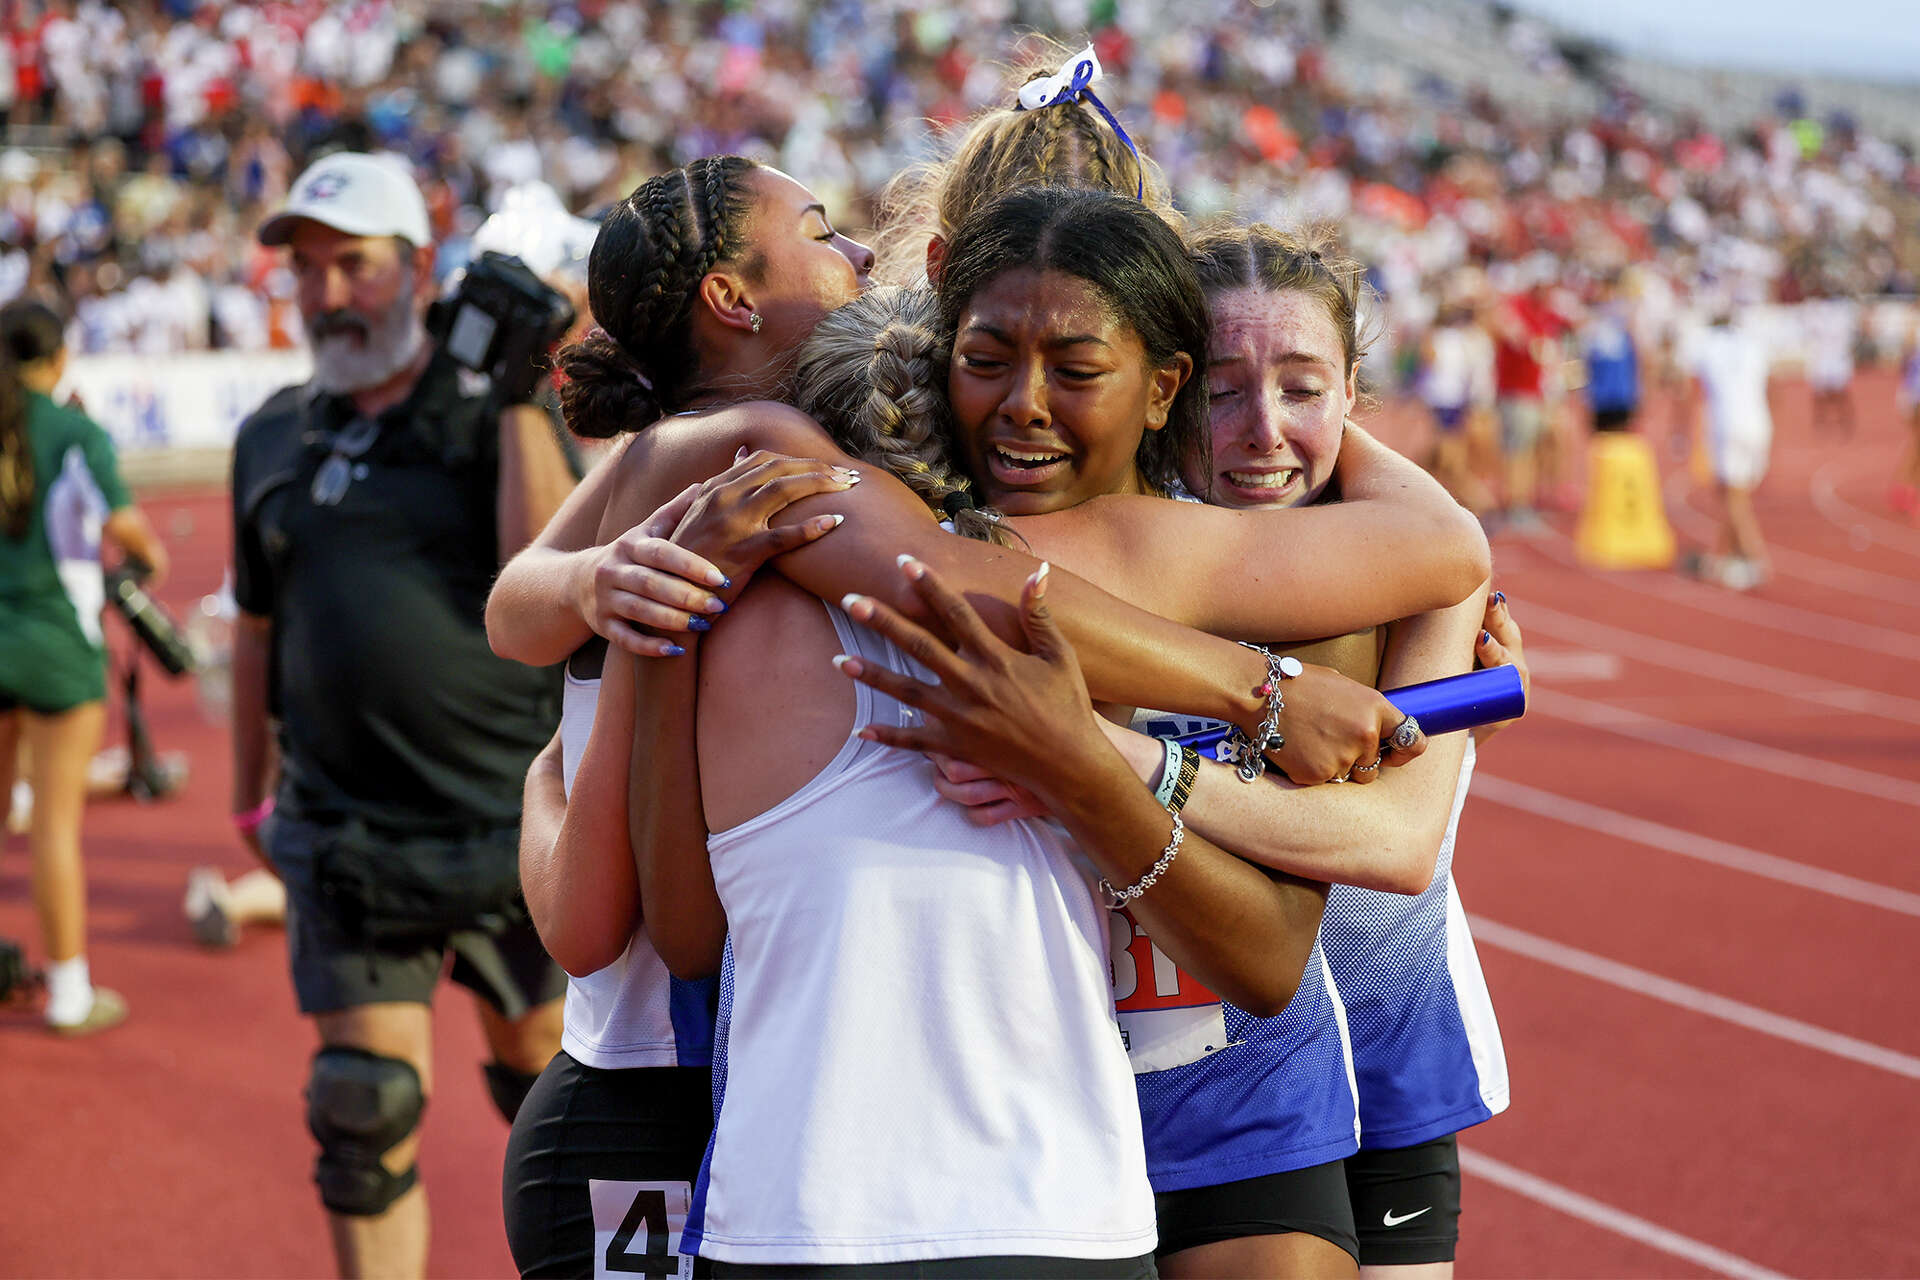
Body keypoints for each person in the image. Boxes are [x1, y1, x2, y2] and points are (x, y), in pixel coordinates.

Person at [569, 186, 1485, 1275]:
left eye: (1076, 366)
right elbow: (1446, 548)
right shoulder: (821, 546)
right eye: (988, 359)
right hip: (1035, 1210)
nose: (1025, 406)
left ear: (1159, 389)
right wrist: (1252, 697)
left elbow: (673, 933)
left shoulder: (1172, 555)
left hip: (870, 1204)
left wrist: (1104, 757)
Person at [229, 150, 577, 1279]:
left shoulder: (493, 417)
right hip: (350, 842)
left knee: (552, 1101)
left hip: (513, 831)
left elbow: (552, 573)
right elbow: (256, 627)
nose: (329, 294)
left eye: (356, 266)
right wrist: (247, 796)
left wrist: (523, 392)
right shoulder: (272, 435)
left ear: (420, 268)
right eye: (309, 270)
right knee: (360, 1112)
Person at [0, 297, 167, 1035]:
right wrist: (144, 562)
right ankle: (69, 991)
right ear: (59, 357)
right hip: (57, 649)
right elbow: (134, 537)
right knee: (53, 828)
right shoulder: (75, 432)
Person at [1681, 298, 1775, 591]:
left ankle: (1756, 559)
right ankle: (1720, 559)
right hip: (1759, 421)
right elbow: (1772, 386)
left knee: (1733, 497)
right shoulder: (1752, 343)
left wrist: (1684, 432)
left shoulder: (1704, 343)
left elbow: (1692, 389)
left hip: (1727, 423)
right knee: (1734, 493)